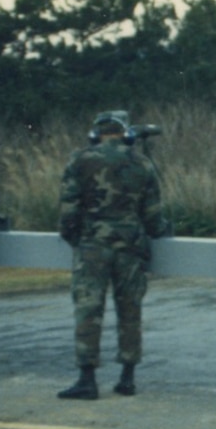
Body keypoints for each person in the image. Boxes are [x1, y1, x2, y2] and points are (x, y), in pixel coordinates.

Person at [54, 112, 173, 400]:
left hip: (93, 245)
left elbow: (68, 210)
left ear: (95, 135)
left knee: (88, 310)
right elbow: (154, 217)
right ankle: (127, 378)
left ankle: (87, 378)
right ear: (126, 136)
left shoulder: (80, 160)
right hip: (130, 247)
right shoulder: (142, 163)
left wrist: (77, 238)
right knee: (130, 312)